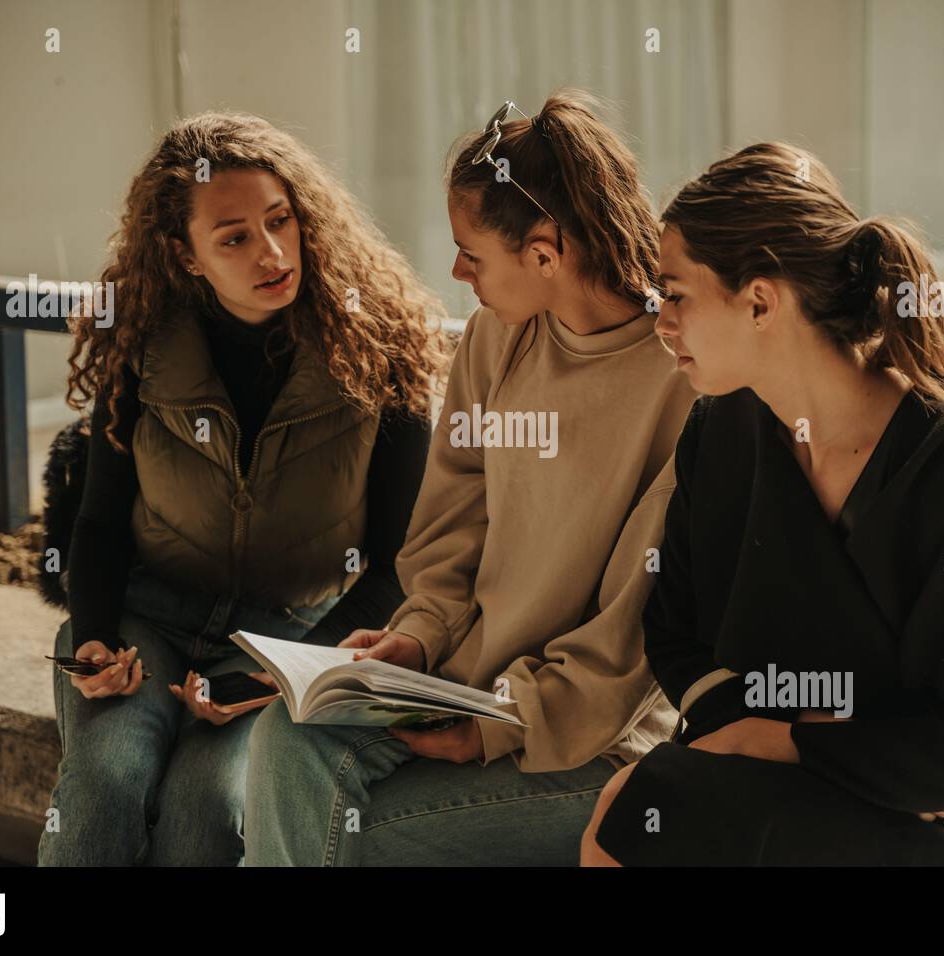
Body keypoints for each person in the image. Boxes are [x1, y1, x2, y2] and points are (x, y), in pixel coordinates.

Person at [245, 90, 696, 866]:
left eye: (472, 253)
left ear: (546, 253)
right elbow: (453, 526)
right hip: (458, 687)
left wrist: (501, 721)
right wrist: (417, 640)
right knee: (285, 742)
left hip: (588, 739)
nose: (455, 270)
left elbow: (631, 637)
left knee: (344, 839)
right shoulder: (496, 338)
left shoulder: (684, 380)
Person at [585, 142, 944, 866]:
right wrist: (752, 735)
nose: (660, 319)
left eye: (675, 293)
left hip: (933, 817)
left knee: (649, 808)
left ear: (761, 301)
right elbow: (675, 630)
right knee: (636, 807)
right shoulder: (720, 433)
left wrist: (772, 738)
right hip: (780, 778)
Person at [37, 111, 445, 866]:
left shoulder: (381, 346)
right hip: (145, 624)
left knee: (208, 812)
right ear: (184, 255)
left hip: (292, 634)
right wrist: (96, 638)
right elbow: (95, 524)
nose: (273, 251)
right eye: (234, 237)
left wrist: (285, 675)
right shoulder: (140, 341)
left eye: (281, 220)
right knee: (105, 787)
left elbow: (399, 563)